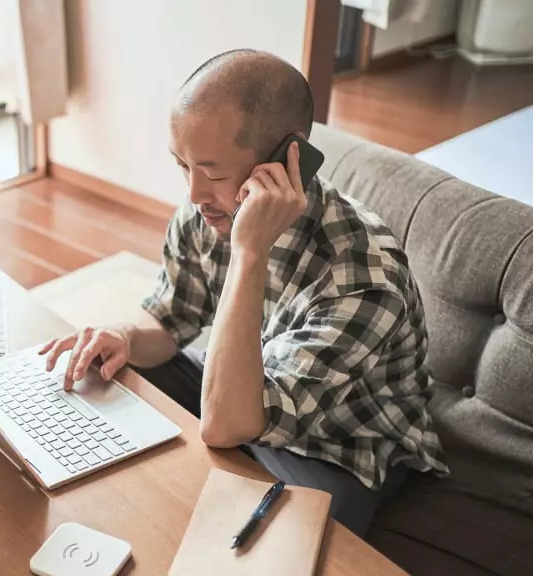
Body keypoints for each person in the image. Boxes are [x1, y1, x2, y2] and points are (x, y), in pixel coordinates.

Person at [39, 49, 448, 537]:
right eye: (182, 165)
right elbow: (171, 320)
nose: (193, 194)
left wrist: (249, 252)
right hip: (245, 390)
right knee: (111, 383)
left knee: (269, 549)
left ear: (286, 161)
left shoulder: (364, 281)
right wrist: (125, 334)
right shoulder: (206, 209)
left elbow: (225, 426)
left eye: (211, 173)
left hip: (338, 446)